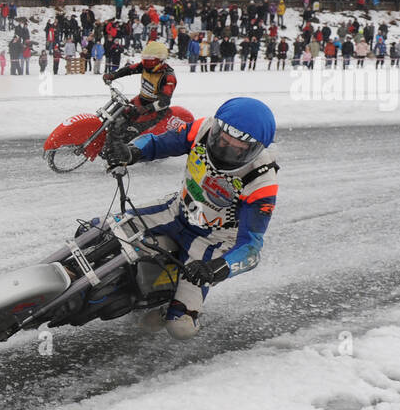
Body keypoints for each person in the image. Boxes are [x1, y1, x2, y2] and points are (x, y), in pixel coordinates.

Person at [97, 97, 278, 339]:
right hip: (176, 211)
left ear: (256, 149)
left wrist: (215, 270)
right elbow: (162, 142)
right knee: (98, 229)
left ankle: (168, 305)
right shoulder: (202, 128)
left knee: (180, 329)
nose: (225, 150)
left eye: (237, 148)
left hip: (212, 240)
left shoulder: (261, 182)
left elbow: (251, 249)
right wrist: (131, 152)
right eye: (223, 140)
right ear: (216, 127)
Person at [102, 41, 177, 139]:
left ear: (160, 60)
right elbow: (129, 69)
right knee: (118, 116)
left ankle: (126, 150)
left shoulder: (168, 77)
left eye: (150, 61)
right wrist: (113, 75)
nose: (147, 64)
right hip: (140, 101)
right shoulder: (145, 66)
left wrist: (146, 109)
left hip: (154, 111)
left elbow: (164, 102)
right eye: (145, 60)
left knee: (131, 131)